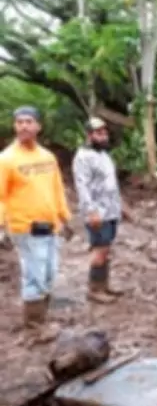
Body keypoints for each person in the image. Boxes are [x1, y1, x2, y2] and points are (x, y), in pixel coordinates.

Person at [0, 106, 72, 327]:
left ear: (38, 126)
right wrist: (2, 226)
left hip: (50, 225)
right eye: (19, 122)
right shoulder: (7, 159)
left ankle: (42, 316)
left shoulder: (47, 157)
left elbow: (57, 189)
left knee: (50, 272)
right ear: (15, 126)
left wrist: (65, 217)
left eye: (29, 121)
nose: (24, 126)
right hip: (25, 227)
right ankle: (34, 324)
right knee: (34, 274)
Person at [72, 117, 133, 303]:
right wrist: (91, 211)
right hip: (97, 211)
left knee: (106, 249)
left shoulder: (104, 155)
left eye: (105, 133)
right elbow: (82, 187)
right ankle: (94, 289)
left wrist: (121, 205)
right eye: (98, 133)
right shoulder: (83, 157)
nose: (103, 136)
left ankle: (103, 285)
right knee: (100, 250)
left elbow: (111, 185)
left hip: (110, 210)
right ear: (89, 135)